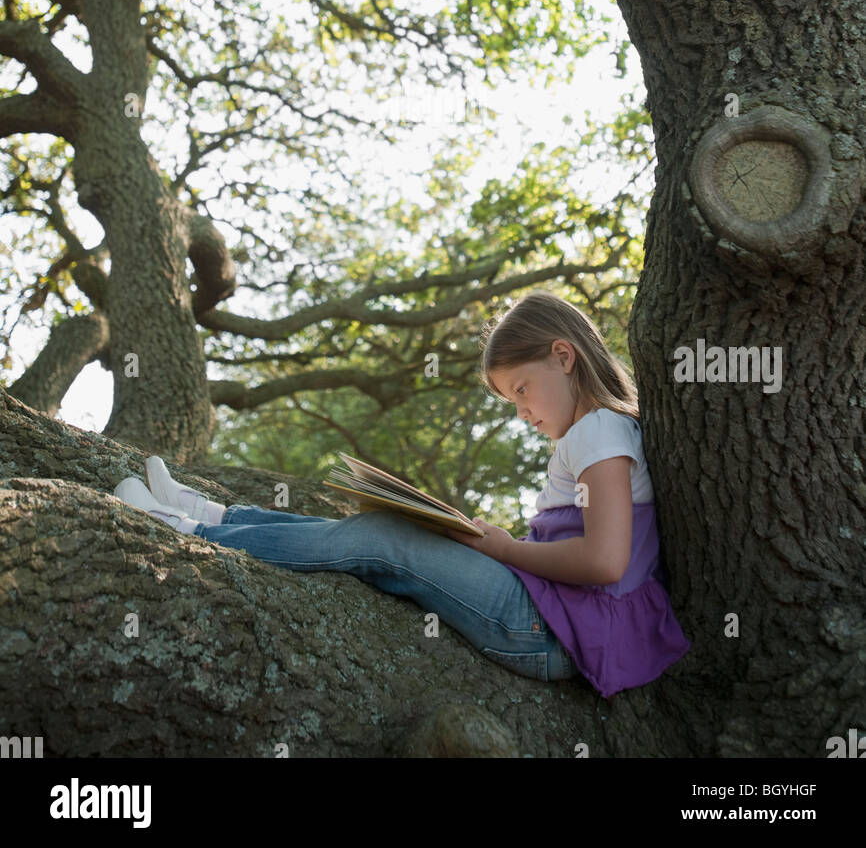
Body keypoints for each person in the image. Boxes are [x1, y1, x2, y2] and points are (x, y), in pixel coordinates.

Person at [113, 289, 691, 696]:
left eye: (522, 390)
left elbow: (605, 560)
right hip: (554, 613)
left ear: (563, 356)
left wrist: (502, 548)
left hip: (556, 632)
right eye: (512, 400)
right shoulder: (594, 434)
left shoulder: (598, 432)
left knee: (385, 540)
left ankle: (191, 533)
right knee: (381, 532)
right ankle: (210, 512)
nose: (521, 413)